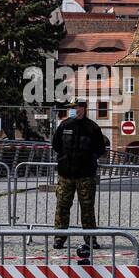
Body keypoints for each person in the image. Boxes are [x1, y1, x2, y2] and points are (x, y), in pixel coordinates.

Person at [50, 100, 108, 250]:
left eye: (75, 108)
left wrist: (90, 158)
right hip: (66, 175)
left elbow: (101, 149)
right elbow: (56, 145)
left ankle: (90, 239)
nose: (72, 110)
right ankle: (59, 238)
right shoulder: (64, 125)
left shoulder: (92, 127)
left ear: (82, 108)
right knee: (62, 206)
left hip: (86, 176)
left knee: (87, 208)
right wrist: (63, 158)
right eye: (71, 108)